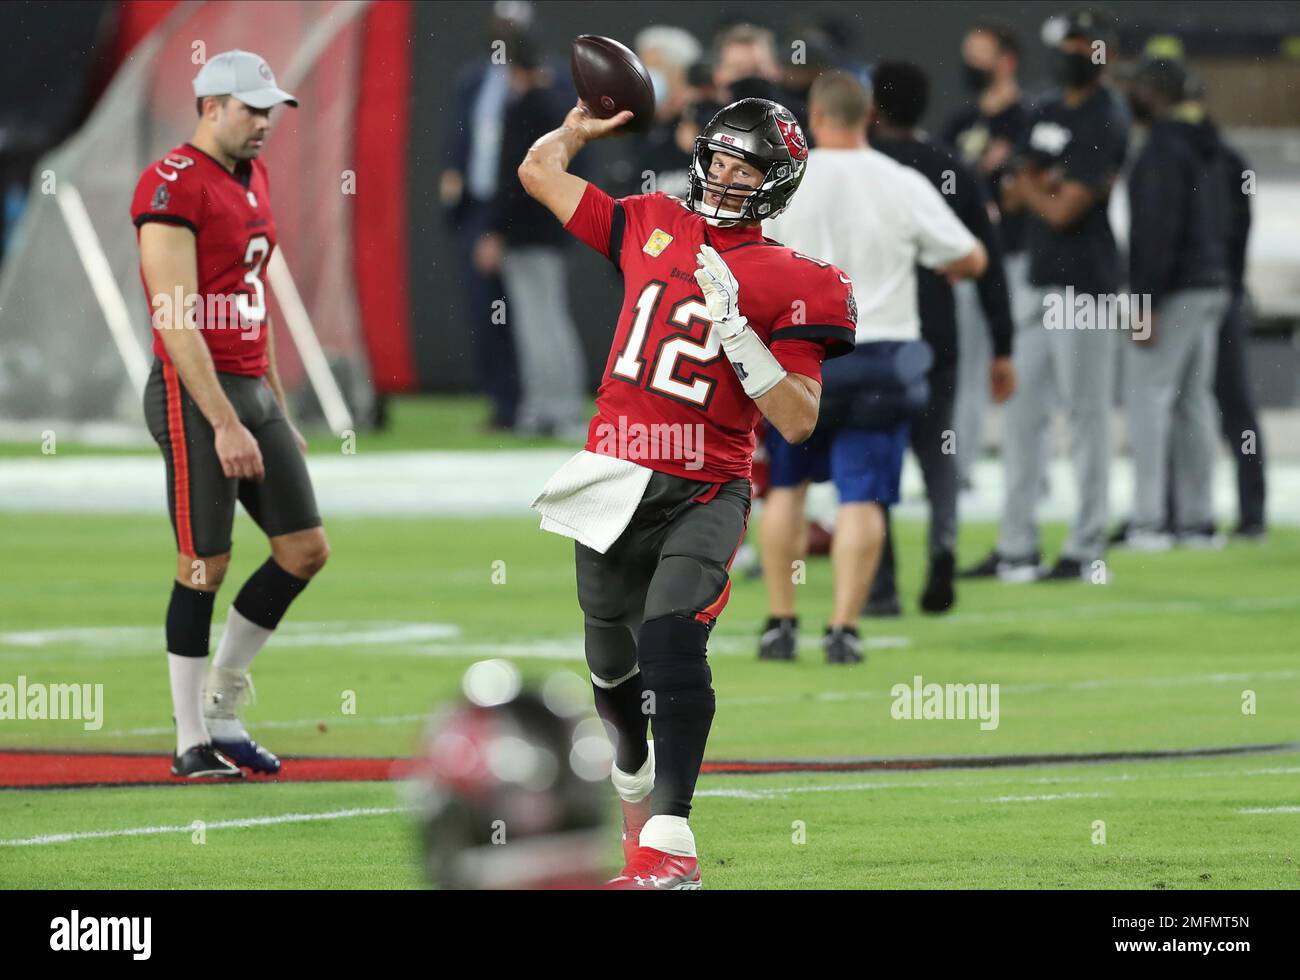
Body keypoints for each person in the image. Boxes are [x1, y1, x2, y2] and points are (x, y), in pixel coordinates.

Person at [519, 96, 856, 887]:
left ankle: (671, 844)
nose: (729, 174)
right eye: (723, 156)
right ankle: (634, 781)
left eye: (749, 166)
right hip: (613, 471)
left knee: (672, 641)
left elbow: (799, 422)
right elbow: (539, 171)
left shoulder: (796, 279)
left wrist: (741, 335)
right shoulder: (648, 221)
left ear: (776, 184)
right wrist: (577, 128)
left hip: (706, 485)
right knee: (609, 658)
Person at [131, 50, 329, 778]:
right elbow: (175, 316)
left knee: (304, 550)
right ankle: (189, 741)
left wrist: (272, 399)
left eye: (270, 109)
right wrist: (223, 419)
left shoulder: (252, 174)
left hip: (248, 389)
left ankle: (222, 707)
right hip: (194, 392)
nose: (265, 122)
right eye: (251, 109)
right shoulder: (171, 184)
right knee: (203, 563)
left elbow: (253, 297)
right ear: (209, 105)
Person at [760, 71, 985, 659]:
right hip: (879, 353)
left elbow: (741, 254)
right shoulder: (901, 181)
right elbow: (971, 256)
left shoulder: (788, 179)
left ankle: (780, 622)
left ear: (815, 115)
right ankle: (843, 629)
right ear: (869, 117)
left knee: (786, 487)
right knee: (862, 497)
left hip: (800, 354)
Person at [961, 7, 1129, 583]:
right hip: (1035, 277)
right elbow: (1013, 194)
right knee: (1021, 416)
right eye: (1068, 43)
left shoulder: (1108, 114)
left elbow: (1064, 209)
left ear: (1101, 51)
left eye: (1084, 45)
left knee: (1085, 420)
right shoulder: (1047, 108)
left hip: (1088, 284)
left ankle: (1087, 548)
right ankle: (1016, 547)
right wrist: (1040, 184)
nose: (1073, 54)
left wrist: (1033, 184)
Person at [867, 60, 1016, 615]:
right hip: (937, 334)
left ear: (871, 108)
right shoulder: (949, 168)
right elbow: (989, 263)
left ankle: (880, 581)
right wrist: (1003, 346)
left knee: (874, 455)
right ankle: (943, 547)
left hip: (873, 336)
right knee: (938, 452)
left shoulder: (859, 170)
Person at [1120, 57, 1231, 549]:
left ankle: (1148, 521)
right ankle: (1197, 520)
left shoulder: (1160, 150)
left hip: (1178, 287)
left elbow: (1156, 231)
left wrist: (1145, 301)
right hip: (1212, 281)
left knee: (1149, 400)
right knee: (1194, 404)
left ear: (1153, 95)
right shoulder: (1209, 145)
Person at [477, 29, 587, 437]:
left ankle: (553, 410)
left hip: (528, 234)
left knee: (539, 323)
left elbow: (516, 179)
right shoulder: (561, 106)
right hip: (553, 228)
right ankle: (551, 407)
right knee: (548, 320)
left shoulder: (527, 107)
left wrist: (496, 230)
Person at [940, 20, 1033, 490]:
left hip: (1016, 260)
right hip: (967, 260)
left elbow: (1028, 192)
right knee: (964, 365)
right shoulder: (958, 123)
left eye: (981, 55)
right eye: (967, 54)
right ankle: (958, 469)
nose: (971, 65)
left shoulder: (1028, 119)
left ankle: (1029, 472)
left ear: (1006, 60)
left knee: (1016, 362)